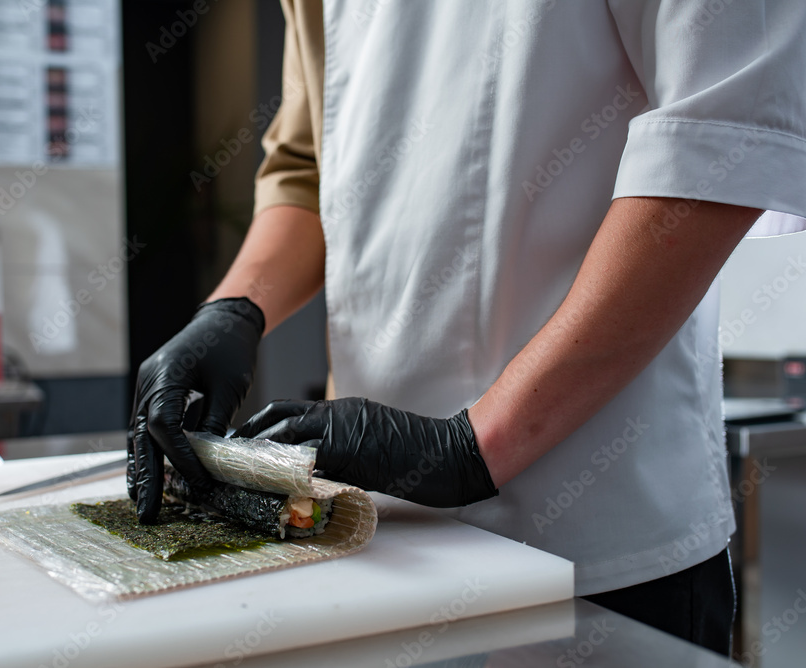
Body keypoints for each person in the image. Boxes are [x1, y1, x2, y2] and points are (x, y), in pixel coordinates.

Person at [127, 0, 806, 655]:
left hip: (597, 545)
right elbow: (306, 168)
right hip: (378, 536)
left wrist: (474, 445)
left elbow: (721, 139)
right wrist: (235, 307)